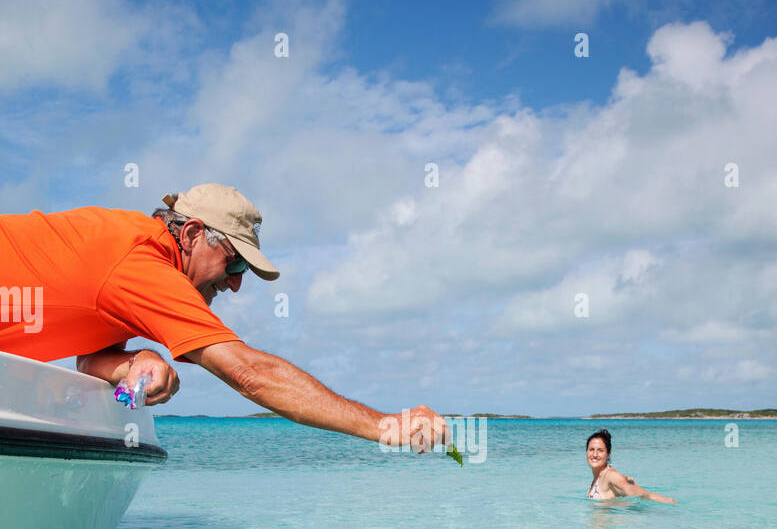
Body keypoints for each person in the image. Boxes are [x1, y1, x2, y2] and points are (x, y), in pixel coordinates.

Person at [0, 184, 448, 453]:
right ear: (192, 234)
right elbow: (250, 374)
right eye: (234, 265)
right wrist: (386, 425)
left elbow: (87, 358)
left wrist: (136, 359)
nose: (235, 285)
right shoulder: (141, 264)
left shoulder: (125, 257)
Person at [586, 429, 676, 503]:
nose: (594, 454)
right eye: (591, 449)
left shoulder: (610, 475)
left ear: (608, 454)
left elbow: (638, 492)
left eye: (600, 450)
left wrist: (669, 501)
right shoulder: (599, 477)